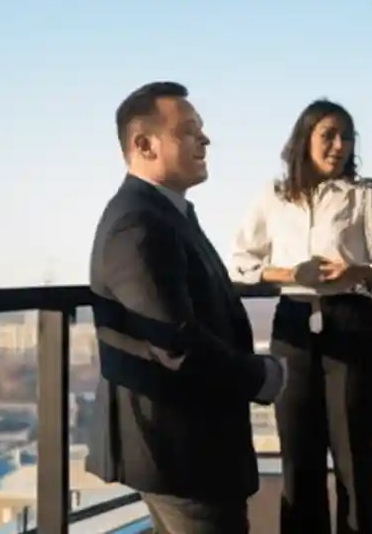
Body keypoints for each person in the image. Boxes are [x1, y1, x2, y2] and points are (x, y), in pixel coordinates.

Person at [88, 81, 285, 534]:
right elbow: (176, 343)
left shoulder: (164, 215)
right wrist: (263, 376)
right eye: (189, 130)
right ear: (144, 145)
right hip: (179, 451)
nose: (205, 139)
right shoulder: (137, 224)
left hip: (188, 446)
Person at [232, 99, 372, 534]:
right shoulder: (273, 197)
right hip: (292, 323)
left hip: (352, 323)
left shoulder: (366, 193)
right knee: (298, 457)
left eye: (347, 136)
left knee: (353, 458)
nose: (339, 145)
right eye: (328, 135)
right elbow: (238, 266)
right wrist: (288, 273)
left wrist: (358, 272)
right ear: (304, 139)